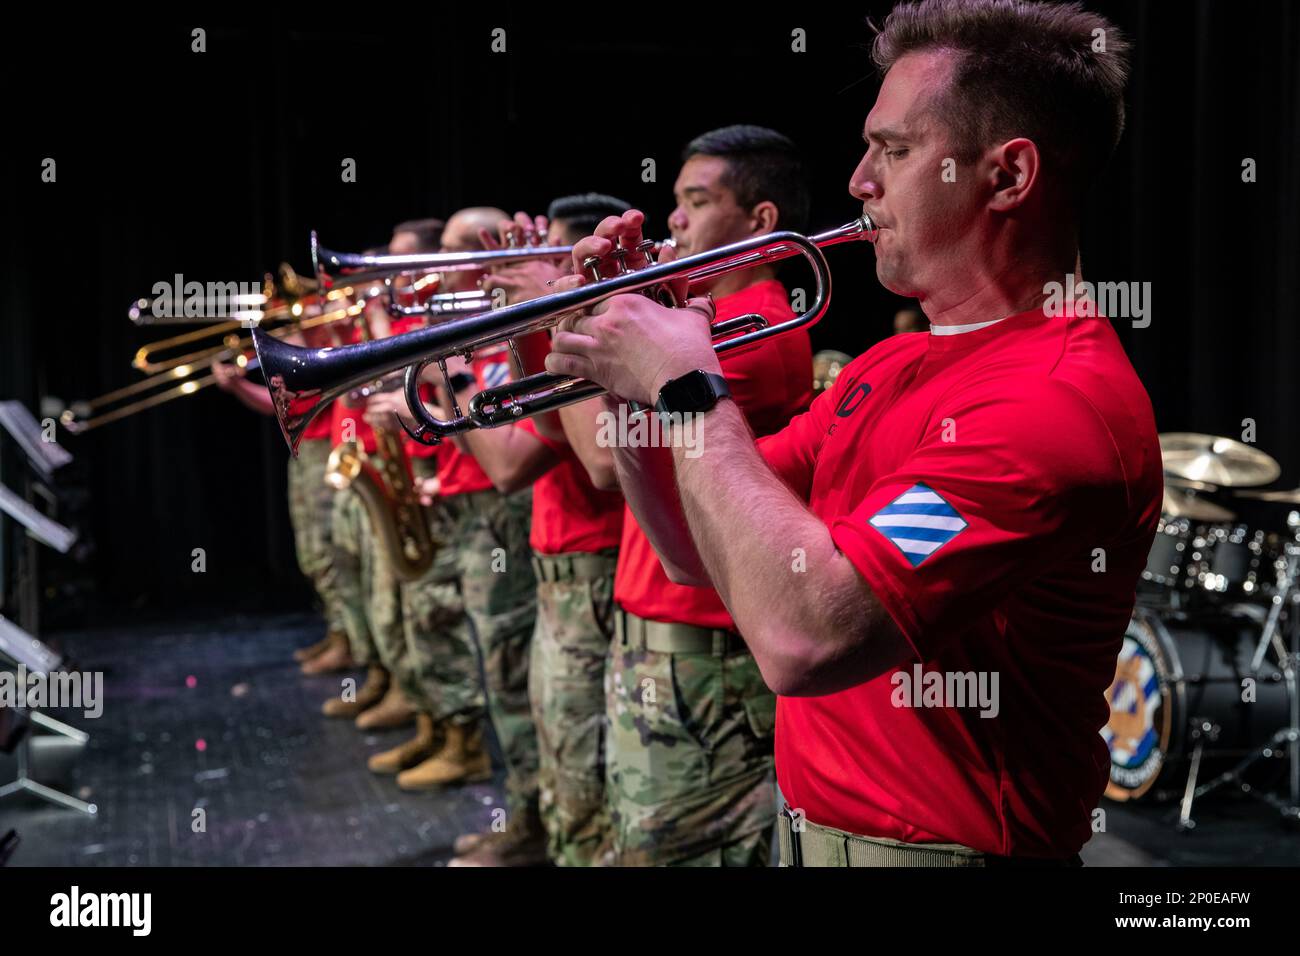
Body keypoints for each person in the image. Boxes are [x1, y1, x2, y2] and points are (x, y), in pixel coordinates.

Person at [544, 0, 1162, 866]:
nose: (858, 181)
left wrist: (683, 386)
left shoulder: (1050, 406)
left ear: (1008, 176)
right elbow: (693, 551)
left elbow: (805, 639)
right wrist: (628, 382)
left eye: (896, 151)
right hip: (812, 832)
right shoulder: (888, 367)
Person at [559, 126, 815, 866]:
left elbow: (605, 465)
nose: (673, 220)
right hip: (654, 638)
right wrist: (571, 316)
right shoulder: (687, 322)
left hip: (707, 658)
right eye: (674, 200)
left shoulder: (758, 330)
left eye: (696, 201)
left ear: (761, 222)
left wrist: (580, 320)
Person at [445, 194, 631, 866]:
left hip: (593, 570)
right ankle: (531, 824)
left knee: (581, 765)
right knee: (555, 748)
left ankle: (538, 833)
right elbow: (539, 421)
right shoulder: (551, 338)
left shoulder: (602, 339)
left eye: (550, 258)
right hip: (555, 567)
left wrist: (458, 375)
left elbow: (511, 462)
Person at [366, 207, 546, 865]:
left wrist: (434, 406)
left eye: (450, 252)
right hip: (475, 506)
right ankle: (521, 806)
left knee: (507, 672)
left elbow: (501, 443)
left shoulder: (501, 333)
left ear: (489, 255)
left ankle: (530, 818)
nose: (434, 269)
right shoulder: (469, 327)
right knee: (494, 666)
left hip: (502, 515)